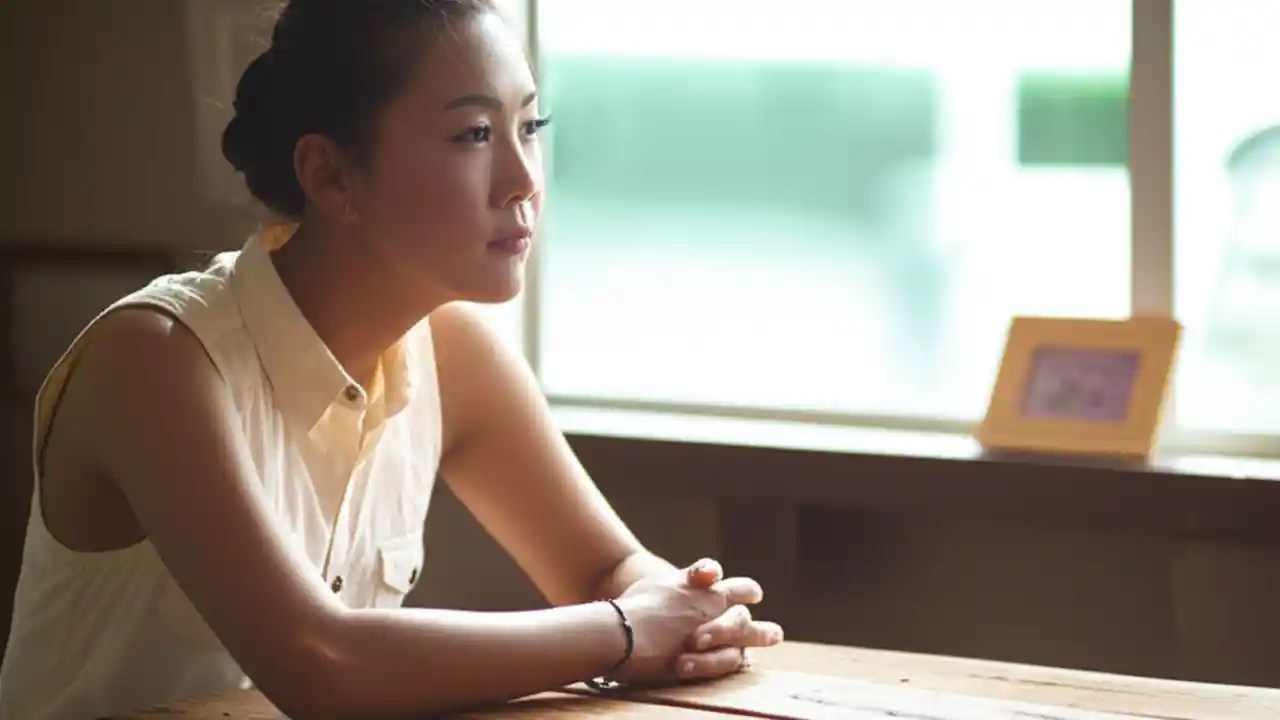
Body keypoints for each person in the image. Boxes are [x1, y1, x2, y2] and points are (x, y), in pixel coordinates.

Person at [0, 2, 784, 717]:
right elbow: (321, 661)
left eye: (529, 126)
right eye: (474, 134)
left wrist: (686, 610)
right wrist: (624, 631)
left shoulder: (454, 352)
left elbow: (605, 567)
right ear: (332, 174)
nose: (522, 181)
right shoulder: (156, 360)